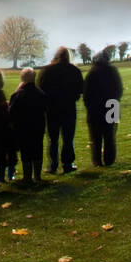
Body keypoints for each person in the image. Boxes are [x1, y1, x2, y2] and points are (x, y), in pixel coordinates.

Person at [37, 46, 84, 174]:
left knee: (53, 138)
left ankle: (53, 166)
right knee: (68, 138)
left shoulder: (46, 70)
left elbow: (40, 90)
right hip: (69, 108)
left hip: (52, 109)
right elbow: (81, 89)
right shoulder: (74, 70)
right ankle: (68, 164)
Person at [83, 48, 124, 166]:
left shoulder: (91, 73)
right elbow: (119, 89)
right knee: (110, 135)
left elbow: (87, 94)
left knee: (96, 136)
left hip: (96, 109)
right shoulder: (113, 71)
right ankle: (109, 159)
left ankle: (97, 161)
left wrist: (89, 107)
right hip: (113, 106)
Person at [8, 67, 47, 185]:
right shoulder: (41, 94)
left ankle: (27, 177)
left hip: (23, 128)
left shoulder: (18, 95)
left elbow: (11, 112)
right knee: (37, 150)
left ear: (22, 78)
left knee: (26, 151)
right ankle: (38, 176)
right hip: (38, 126)